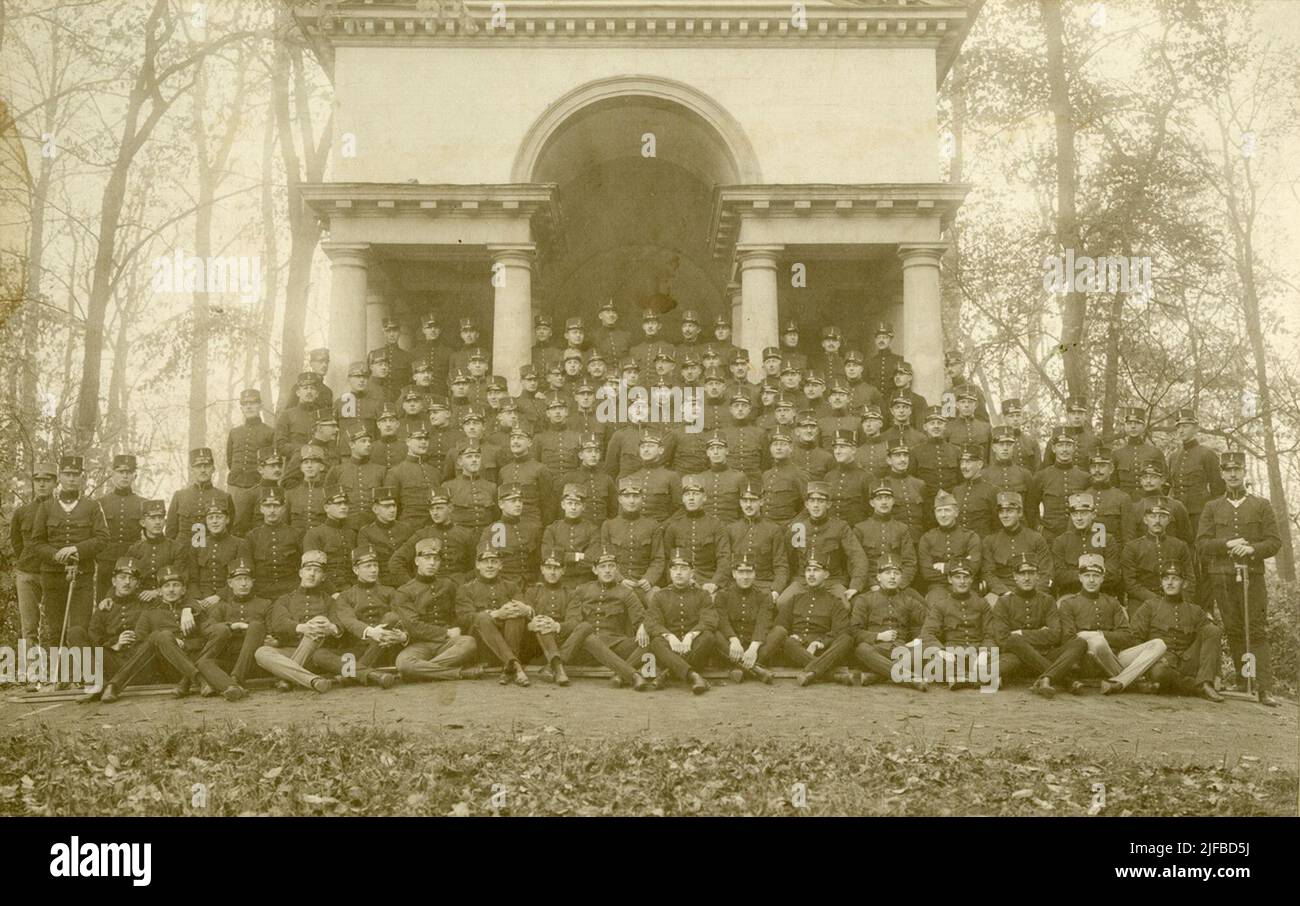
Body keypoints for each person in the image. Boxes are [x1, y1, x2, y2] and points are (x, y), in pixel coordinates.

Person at [1196, 450, 1281, 706]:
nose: (1232, 474)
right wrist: (1228, 544)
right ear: (1221, 474)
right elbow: (1201, 543)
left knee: (1255, 629)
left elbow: (1274, 542)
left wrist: (1252, 549)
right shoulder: (1212, 507)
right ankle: (1245, 680)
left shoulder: (1261, 505)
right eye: (1228, 470)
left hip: (1252, 576)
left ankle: (1263, 687)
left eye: (1237, 470)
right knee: (1233, 629)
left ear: (1244, 472)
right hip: (1221, 576)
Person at [100, 565, 247, 702]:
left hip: (193, 660)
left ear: (183, 590)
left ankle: (190, 680)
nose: (171, 590)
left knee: (220, 630)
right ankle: (200, 679)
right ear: (159, 591)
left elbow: (208, 633)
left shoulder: (195, 611)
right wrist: (118, 644)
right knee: (161, 635)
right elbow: (141, 645)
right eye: (166, 586)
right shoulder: (149, 614)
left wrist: (188, 642)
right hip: (168, 667)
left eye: (176, 585)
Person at [1028, 554, 1153, 698]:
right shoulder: (1069, 603)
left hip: (1113, 658)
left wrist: (1094, 634)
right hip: (1087, 662)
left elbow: (1126, 637)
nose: (1091, 580)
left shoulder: (1112, 602)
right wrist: (1099, 639)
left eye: (1095, 575)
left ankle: (1121, 681)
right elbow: (1068, 639)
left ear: (1102, 578)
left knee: (1158, 644)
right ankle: (1134, 681)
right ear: (1080, 578)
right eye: (1087, 575)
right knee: (1098, 643)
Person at [32, 454, 108, 647]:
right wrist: (55, 555)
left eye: (76, 474)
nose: (71, 479)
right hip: (52, 577)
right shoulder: (47, 507)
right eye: (67, 474)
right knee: (55, 628)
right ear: (60, 477)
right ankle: (59, 674)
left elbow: (102, 539)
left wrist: (76, 548)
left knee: (79, 628)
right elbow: (37, 543)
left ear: (82, 477)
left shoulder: (92, 507)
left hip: (82, 577)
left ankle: (77, 674)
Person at [1129, 563, 1224, 702]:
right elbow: (1135, 638)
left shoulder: (1195, 610)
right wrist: (1152, 657)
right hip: (1161, 662)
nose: (1170, 583)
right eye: (1166, 579)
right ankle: (1197, 686)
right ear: (1161, 583)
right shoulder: (1150, 606)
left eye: (1175, 579)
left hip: (1188, 662)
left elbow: (1212, 641)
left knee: (1213, 630)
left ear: (1184, 584)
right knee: (1160, 673)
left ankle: (1204, 682)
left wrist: (1217, 674)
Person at [392, 538, 481, 682]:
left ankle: (418, 672)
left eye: (436, 559)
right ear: (416, 561)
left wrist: (454, 629)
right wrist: (445, 632)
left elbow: (456, 613)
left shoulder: (448, 585)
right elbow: (413, 626)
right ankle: (459, 673)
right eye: (427, 558)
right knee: (403, 663)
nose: (432, 563)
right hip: (419, 644)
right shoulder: (405, 591)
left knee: (469, 643)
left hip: (448, 644)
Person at [253, 550, 340, 693]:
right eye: (308, 569)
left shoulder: (330, 601)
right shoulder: (285, 599)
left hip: (317, 655)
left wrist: (331, 627)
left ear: (323, 577)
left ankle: (286, 680)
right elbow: (279, 623)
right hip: (290, 653)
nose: (312, 574)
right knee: (261, 652)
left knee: (318, 622)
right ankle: (313, 680)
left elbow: (339, 625)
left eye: (317, 571)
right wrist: (301, 627)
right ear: (300, 573)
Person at [564, 550, 651, 690]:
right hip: (587, 650)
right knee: (588, 638)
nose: (607, 570)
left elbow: (641, 617)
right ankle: (631, 675)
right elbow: (572, 620)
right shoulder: (583, 590)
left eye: (611, 566)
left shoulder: (626, 592)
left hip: (616, 645)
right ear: (594, 570)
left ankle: (620, 675)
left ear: (616, 569)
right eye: (603, 567)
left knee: (650, 642)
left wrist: (643, 626)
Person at [71, 557, 151, 700]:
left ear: (138, 583)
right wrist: (115, 644)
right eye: (122, 577)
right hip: (111, 663)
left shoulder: (146, 605)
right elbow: (95, 639)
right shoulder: (104, 608)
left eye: (132, 579)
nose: (127, 582)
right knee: (75, 632)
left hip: (137, 666)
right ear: (114, 581)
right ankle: (98, 683)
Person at [455, 545, 533, 687]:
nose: (490, 566)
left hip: (510, 639)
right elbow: (464, 618)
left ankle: (508, 666)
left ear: (500, 565)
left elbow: (522, 606)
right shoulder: (466, 589)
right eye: (485, 562)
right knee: (483, 617)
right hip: (483, 645)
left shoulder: (511, 586)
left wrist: (521, 609)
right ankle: (516, 666)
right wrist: (495, 614)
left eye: (494, 562)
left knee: (515, 614)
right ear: (478, 565)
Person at [846, 556, 928, 689]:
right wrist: (878, 636)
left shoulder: (909, 600)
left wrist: (917, 640)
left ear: (901, 578)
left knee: (925, 649)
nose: (892, 577)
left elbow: (931, 623)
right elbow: (854, 631)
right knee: (862, 649)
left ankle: (877, 676)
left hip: (902, 650)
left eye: (896, 574)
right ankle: (910, 678)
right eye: (887, 573)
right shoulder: (865, 599)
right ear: (878, 577)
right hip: (876, 650)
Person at [328, 546, 402, 688]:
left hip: (387, 647)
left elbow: (399, 617)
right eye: (368, 566)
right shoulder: (345, 596)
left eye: (375, 565)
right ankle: (370, 674)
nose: (373, 570)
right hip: (359, 648)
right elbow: (348, 621)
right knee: (319, 654)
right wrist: (371, 632)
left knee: (391, 617)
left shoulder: (389, 592)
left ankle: (352, 675)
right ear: (356, 570)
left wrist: (396, 634)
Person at [643, 550, 715, 693]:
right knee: (656, 642)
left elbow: (710, 619)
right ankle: (693, 676)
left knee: (708, 637)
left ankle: (667, 673)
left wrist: (690, 635)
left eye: (683, 569)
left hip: (693, 647)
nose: (679, 573)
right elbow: (652, 622)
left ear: (692, 573)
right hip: (670, 648)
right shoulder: (660, 595)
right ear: (670, 572)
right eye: (674, 569)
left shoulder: (703, 595)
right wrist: (669, 637)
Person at [195, 558, 271, 690]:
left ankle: (235, 679)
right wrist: (232, 626)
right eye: (238, 580)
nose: (243, 584)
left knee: (256, 626)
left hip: (255, 662)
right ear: (230, 583)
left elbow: (273, 630)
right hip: (229, 662)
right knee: (204, 662)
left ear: (252, 582)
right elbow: (207, 629)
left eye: (246, 579)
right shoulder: (221, 607)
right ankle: (232, 686)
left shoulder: (265, 604)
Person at [920, 557, 995, 690]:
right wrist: (942, 651)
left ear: (971, 579)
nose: (962, 581)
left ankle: (960, 677)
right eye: (957, 577)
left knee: (1008, 660)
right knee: (931, 664)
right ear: (949, 579)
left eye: (966, 577)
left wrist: (985, 652)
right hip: (952, 655)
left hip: (977, 654)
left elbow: (990, 633)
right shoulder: (941, 605)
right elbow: (927, 633)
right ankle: (982, 678)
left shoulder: (982, 603)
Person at [991, 556, 1059, 685]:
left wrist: (1021, 633)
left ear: (1038, 576)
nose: (1027, 578)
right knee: (1013, 641)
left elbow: (1055, 635)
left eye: (1031, 573)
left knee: (1079, 643)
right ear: (1015, 577)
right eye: (1022, 574)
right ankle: (1064, 680)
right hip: (1017, 658)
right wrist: (1041, 633)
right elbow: (1003, 639)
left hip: (1044, 655)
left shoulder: (1047, 600)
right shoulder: (1004, 602)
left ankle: (1047, 675)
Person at [12, 461, 56, 653]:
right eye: (38, 480)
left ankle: (61, 671)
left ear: (55, 483)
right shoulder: (22, 512)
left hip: (54, 574)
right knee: (29, 627)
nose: (42, 484)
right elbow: (16, 543)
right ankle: (32, 672)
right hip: (28, 574)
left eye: (47, 480)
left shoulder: (62, 510)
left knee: (58, 624)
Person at [1122, 497, 1196, 609]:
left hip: (1175, 598)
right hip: (1143, 601)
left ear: (1169, 520)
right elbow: (1131, 583)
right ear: (1145, 520)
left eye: (1162, 517)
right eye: (1152, 517)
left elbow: (1189, 579)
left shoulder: (1180, 546)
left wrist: (1180, 599)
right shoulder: (1132, 547)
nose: (1157, 521)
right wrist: (1155, 600)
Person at [981, 491, 1051, 604]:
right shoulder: (990, 541)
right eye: (1001, 512)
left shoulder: (1036, 538)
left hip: (1031, 590)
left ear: (1020, 513)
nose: (1004, 515)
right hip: (1002, 592)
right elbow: (987, 573)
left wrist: (1034, 593)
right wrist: (1004, 592)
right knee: (987, 605)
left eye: (1009, 511)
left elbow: (1046, 572)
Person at [95, 454, 146, 603]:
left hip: (133, 563)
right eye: (120, 472)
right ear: (112, 474)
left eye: (128, 472)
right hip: (106, 563)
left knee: (132, 606)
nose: (125, 476)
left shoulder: (142, 503)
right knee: (103, 603)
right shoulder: (100, 503)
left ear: (134, 475)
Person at [165, 447, 233, 541]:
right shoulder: (179, 496)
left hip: (210, 551)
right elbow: (170, 532)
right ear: (192, 470)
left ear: (213, 469)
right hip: (183, 552)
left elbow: (228, 531)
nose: (203, 470)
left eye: (207, 466)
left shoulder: (224, 497)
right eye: (198, 467)